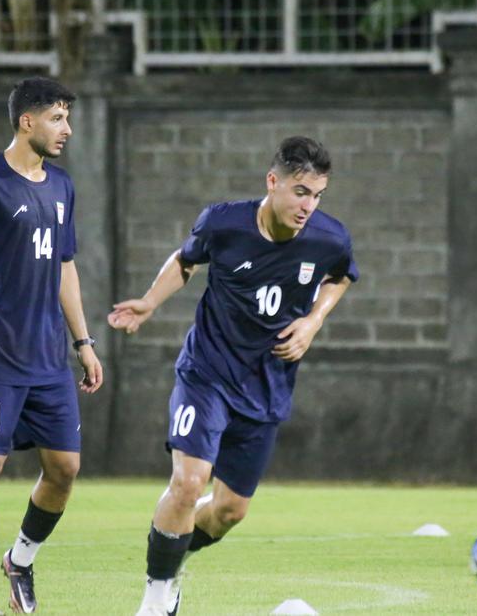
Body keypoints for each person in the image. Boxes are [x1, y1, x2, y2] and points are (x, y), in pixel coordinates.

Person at [108, 136, 359, 615]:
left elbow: (341, 275)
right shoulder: (223, 223)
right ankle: (156, 600)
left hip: (266, 387)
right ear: (273, 182)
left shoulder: (330, 238)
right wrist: (147, 303)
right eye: (301, 192)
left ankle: (173, 558)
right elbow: (185, 261)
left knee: (228, 512)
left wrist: (313, 321)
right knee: (188, 482)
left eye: (318, 195)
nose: (309, 205)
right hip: (207, 373)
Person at [0, 77, 104, 615]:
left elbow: (64, 267)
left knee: (65, 469)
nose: (67, 129)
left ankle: (20, 559)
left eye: (67, 118)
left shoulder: (62, 186)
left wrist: (84, 341)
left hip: (49, 358)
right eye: (57, 118)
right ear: (27, 121)